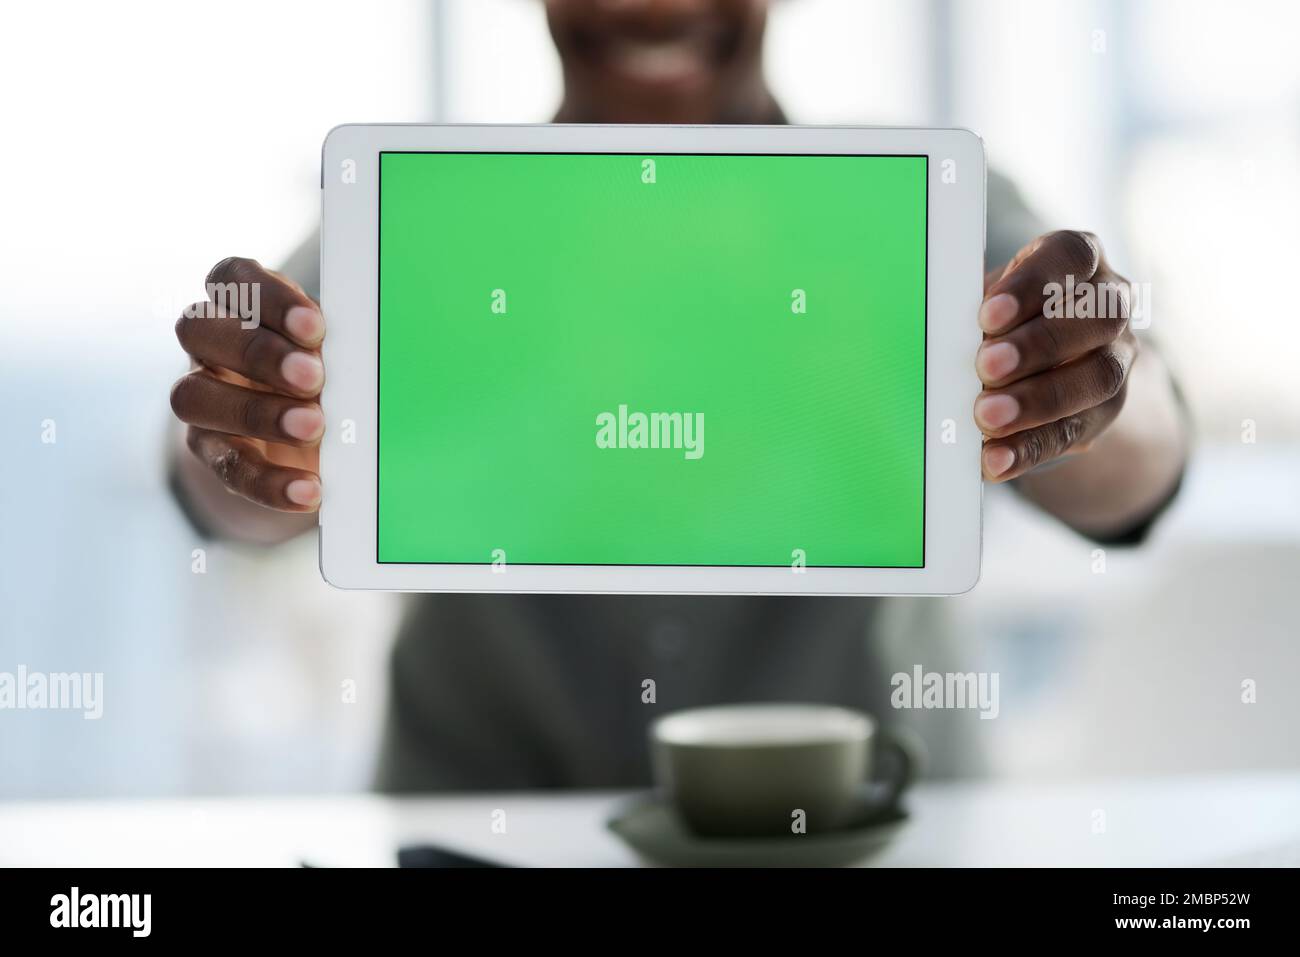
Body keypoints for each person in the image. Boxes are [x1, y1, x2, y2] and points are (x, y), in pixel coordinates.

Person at [167, 0, 1188, 790]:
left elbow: (1143, 458)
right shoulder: (420, 213)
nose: (650, 4)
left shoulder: (917, 204)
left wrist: (1087, 396)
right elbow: (217, 482)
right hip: (479, 821)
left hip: (868, 823)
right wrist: (242, 444)